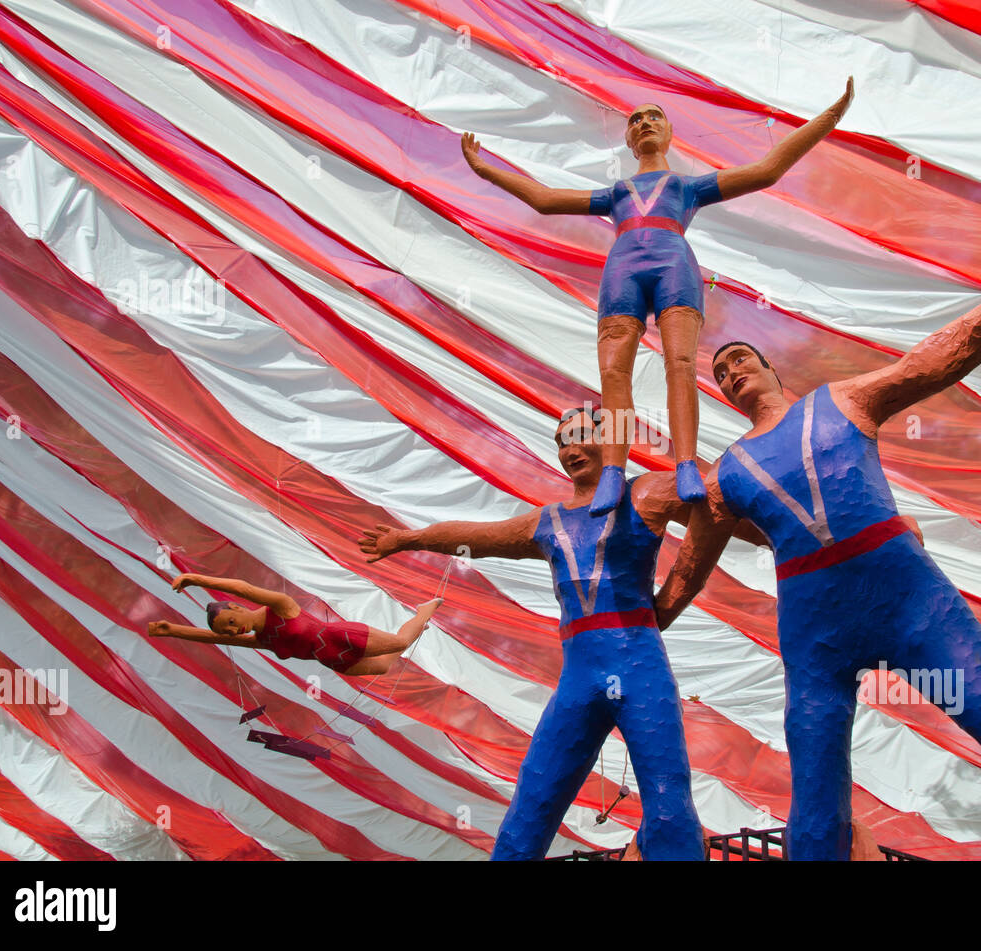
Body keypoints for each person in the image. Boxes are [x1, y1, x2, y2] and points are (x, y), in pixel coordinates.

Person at [655, 213, 981, 861]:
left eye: (740, 357)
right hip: (814, 630)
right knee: (814, 800)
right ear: (724, 395)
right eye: (722, 370)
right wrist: (637, 613)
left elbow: (951, 348)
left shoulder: (843, 400)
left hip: (908, 599)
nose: (731, 370)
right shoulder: (727, 472)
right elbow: (697, 563)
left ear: (771, 370)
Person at [358, 409, 749, 859]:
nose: (570, 449)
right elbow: (478, 536)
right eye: (562, 441)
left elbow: (719, 503)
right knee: (533, 799)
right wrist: (409, 539)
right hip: (579, 678)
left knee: (666, 798)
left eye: (583, 436)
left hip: (639, 666)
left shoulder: (645, 493)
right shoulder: (549, 521)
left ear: (613, 440)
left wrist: (675, 594)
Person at [460, 80, 855, 514]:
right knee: (613, 373)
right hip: (622, 271)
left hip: (674, 265)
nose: (644, 124)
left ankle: (686, 461)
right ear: (629, 140)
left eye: (654, 117)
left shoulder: (686, 186)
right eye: (635, 120)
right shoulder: (616, 194)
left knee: (680, 364)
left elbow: (767, 170)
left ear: (669, 133)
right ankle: (613, 469)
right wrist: (484, 169)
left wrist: (829, 118)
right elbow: (545, 198)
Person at [148, 573, 441, 677]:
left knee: (399, 643)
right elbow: (213, 639)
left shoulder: (280, 608)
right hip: (332, 662)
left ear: (236, 608)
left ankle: (423, 613)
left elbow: (242, 587)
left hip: (340, 639)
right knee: (384, 666)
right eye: (227, 630)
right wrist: (172, 631)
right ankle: (418, 627)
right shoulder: (262, 639)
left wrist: (196, 579)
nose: (232, 631)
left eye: (231, 622)